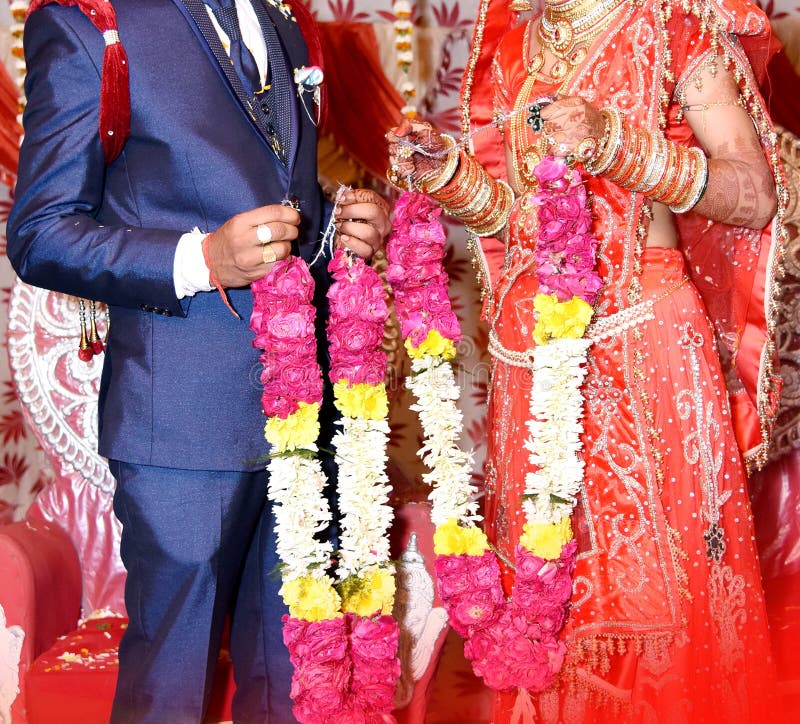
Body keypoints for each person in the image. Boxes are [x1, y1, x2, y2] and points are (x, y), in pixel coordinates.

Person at [387, 0, 788, 720]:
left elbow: (755, 197)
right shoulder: (517, 48)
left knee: (663, 605)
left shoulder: (671, 27)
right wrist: (451, 179)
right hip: (535, 364)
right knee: (551, 611)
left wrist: (618, 145)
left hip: (645, 353)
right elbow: (520, 219)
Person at [7, 0, 390, 721]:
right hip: (179, 421)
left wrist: (339, 232)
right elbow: (40, 233)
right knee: (172, 693)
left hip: (302, 417)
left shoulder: (280, 23)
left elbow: (279, 202)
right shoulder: (96, 24)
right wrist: (201, 258)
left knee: (294, 684)